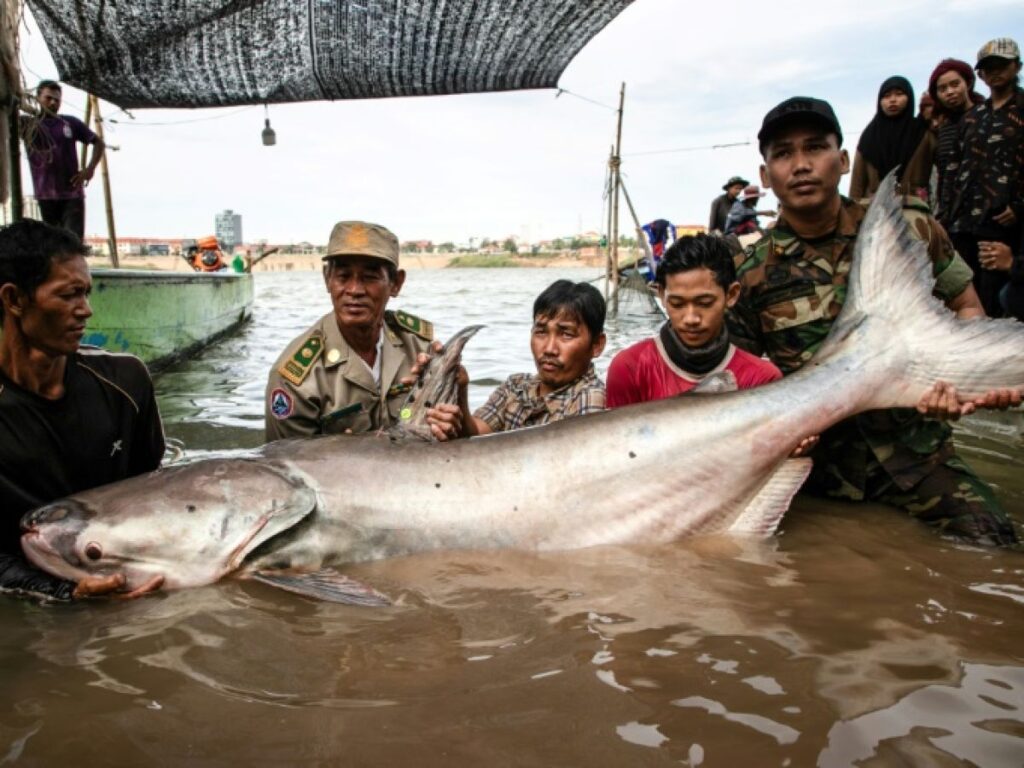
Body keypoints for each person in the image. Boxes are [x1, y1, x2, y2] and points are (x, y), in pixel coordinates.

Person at [727, 95, 1022, 546]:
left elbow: (967, 306)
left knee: (993, 545)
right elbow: (741, 380)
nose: (801, 165)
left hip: (917, 455)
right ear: (766, 176)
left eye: (815, 147)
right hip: (815, 471)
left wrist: (968, 378)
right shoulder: (750, 273)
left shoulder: (903, 229)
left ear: (843, 160)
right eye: (783, 154)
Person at [0, 219, 165, 600]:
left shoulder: (126, 381)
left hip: (131, 581)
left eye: (87, 293)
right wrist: (64, 594)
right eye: (70, 295)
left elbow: (156, 492)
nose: (86, 310)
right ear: (14, 299)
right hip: (35, 593)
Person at [265, 220, 463, 441]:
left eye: (370, 278)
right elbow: (288, 459)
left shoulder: (420, 348)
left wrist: (450, 423)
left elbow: (444, 433)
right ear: (327, 279)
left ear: (396, 284)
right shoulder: (296, 378)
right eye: (343, 276)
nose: (354, 290)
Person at [606, 234, 782, 407]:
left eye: (705, 303)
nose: (691, 319)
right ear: (662, 295)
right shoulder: (629, 369)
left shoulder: (762, 379)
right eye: (677, 304)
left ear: (731, 295)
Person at [944, 38, 1024, 318]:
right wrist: (945, 217)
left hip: (1004, 224)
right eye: (988, 67)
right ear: (980, 75)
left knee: (998, 304)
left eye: (1001, 65)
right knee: (966, 302)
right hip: (964, 225)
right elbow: (953, 169)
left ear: (1017, 66)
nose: (995, 72)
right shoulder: (972, 117)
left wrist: (1020, 206)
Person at [464, 280, 606, 434]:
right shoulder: (515, 387)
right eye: (541, 332)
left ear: (596, 345)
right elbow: (475, 432)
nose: (549, 349)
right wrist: (459, 390)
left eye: (566, 334)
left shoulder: (589, 397)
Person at [19, 81, 105, 239]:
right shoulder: (27, 124)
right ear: (38, 98)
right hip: (44, 195)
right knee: (51, 244)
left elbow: (98, 143)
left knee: (73, 242)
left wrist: (90, 169)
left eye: (57, 100)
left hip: (72, 195)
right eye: (48, 98)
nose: (53, 102)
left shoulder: (69, 123)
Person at [849, 76, 933, 202]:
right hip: (874, 209)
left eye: (899, 94)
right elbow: (857, 185)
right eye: (886, 96)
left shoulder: (922, 133)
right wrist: (852, 209)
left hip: (914, 208)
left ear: (909, 97)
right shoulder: (869, 136)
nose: (893, 100)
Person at [929, 58, 985, 224]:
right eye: (942, 89)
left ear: (968, 83)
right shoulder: (942, 129)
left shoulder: (986, 117)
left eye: (955, 84)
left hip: (985, 213)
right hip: (951, 216)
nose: (950, 92)